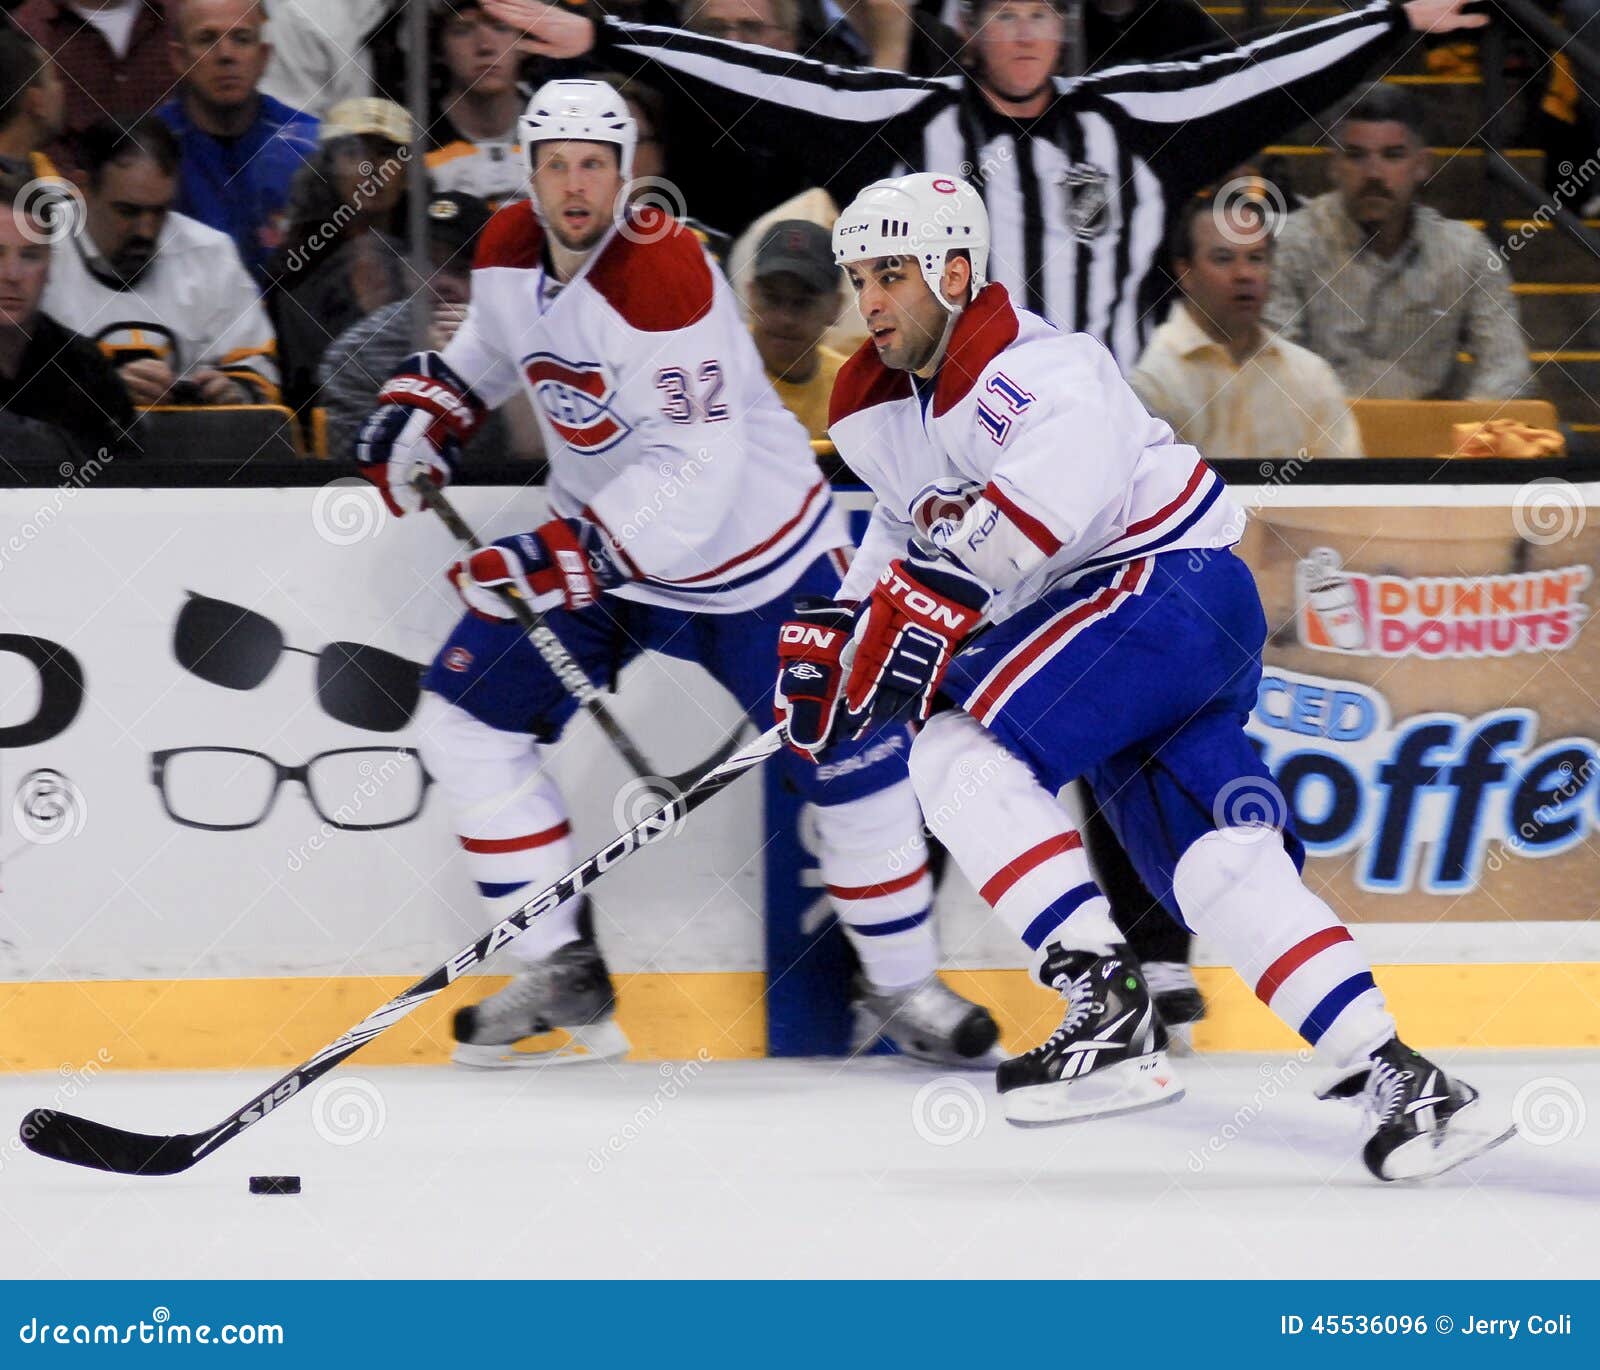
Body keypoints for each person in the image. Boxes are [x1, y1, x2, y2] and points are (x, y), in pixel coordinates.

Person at [775, 170, 1516, 1181]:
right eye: (860, 277)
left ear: (953, 272)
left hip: (1161, 591)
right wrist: (844, 634)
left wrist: (908, 626)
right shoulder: (874, 403)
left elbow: (1026, 525)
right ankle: (1402, 1079)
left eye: (892, 273)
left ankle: (1105, 1002)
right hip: (1151, 632)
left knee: (956, 744)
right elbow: (908, 536)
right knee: (1222, 864)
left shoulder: (1042, 368)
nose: (869, 299)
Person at [354, 80, 997, 1070]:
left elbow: (696, 470)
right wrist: (433, 403)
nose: (576, 185)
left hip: (758, 561)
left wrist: (560, 558)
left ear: (626, 174)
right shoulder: (509, 247)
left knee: (855, 761)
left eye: (595, 165)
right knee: (462, 719)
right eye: (557, 164)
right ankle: (558, 963)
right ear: (527, 170)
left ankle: (903, 984)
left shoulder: (663, 273)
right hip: (614, 562)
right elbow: (494, 346)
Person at [483, 0, 1488, 364]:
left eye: (1039, 14)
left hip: (1098, 436)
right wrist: (608, 38)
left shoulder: (1131, 120)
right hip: (953, 435)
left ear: (1063, 29)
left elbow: (1262, 72)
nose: (1023, 34)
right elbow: (766, 78)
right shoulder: (906, 124)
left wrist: (1394, 18)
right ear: (969, 30)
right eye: (1002, 15)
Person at [1265, 84, 1532, 402]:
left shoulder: (1466, 253)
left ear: (1422, 164)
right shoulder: (1292, 245)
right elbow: (1273, 367)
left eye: (1392, 155)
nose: (1374, 173)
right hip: (1320, 428)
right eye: (1356, 156)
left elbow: (1508, 369)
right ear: (1333, 165)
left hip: (1432, 431)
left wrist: (1466, 428)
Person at [43, 115, 278, 405]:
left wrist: (238, 391)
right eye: (128, 211)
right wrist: (102, 393)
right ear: (83, 188)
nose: (146, 230)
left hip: (191, 434)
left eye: (159, 211)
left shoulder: (211, 254)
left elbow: (260, 371)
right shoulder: (32, 248)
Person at [1131, 193, 1363, 461]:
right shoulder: (1147, 375)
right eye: (1223, 258)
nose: (1244, 274)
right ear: (1186, 272)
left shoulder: (1310, 377)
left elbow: (1345, 483)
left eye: (1256, 258)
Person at [318, 191, 513, 462]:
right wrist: (437, 377)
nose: (442, 283)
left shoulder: (521, 338)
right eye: (426, 267)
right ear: (406, 271)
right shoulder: (357, 354)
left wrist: (498, 355)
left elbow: (534, 458)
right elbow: (360, 467)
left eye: (461, 268)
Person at [268, 97, 414, 413]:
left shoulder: (435, 256)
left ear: (407, 173)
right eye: (353, 153)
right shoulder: (295, 270)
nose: (371, 168)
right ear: (328, 169)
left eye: (386, 153)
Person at [159, 0, 318, 286]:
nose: (226, 55)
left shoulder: (308, 145)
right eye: (206, 39)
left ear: (263, 57)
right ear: (178, 58)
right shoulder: (152, 146)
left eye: (242, 39)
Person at [0, 171, 138, 457]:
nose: (12, 275)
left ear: (50, 267)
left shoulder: (86, 368)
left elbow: (126, 473)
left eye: (30, 256)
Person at [12, 1, 176, 168]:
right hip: (58, 179)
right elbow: (24, 138)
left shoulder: (180, 13)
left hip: (179, 176)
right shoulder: (29, 26)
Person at [746, 218, 847, 441]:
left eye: (803, 303)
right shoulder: (711, 378)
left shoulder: (854, 392)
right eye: (772, 299)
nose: (785, 319)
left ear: (836, 307)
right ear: (751, 296)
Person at [425, 0, 531, 209]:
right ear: (440, 49)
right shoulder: (414, 142)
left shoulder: (558, 131)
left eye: (500, 28)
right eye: (462, 31)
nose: (485, 47)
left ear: (525, 43)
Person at [0, 26, 67, 181]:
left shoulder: (43, 171)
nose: (61, 88)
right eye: (53, 78)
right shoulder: (43, 183)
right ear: (36, 101)